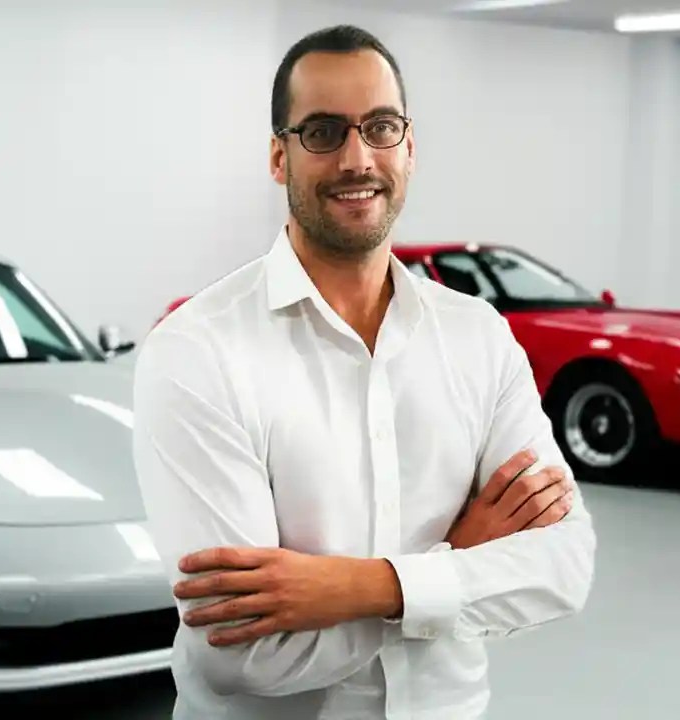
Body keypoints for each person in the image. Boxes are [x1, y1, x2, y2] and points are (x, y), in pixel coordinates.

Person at [131, 24, 597, 720]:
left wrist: (362, 588)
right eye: (322, 131)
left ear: (409, 147)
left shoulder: (477, 337)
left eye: (380, 127)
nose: (357, 158)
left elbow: (563, 568)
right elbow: (240, 656)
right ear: (277, 156)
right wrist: (457, 563)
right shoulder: (197, 351)